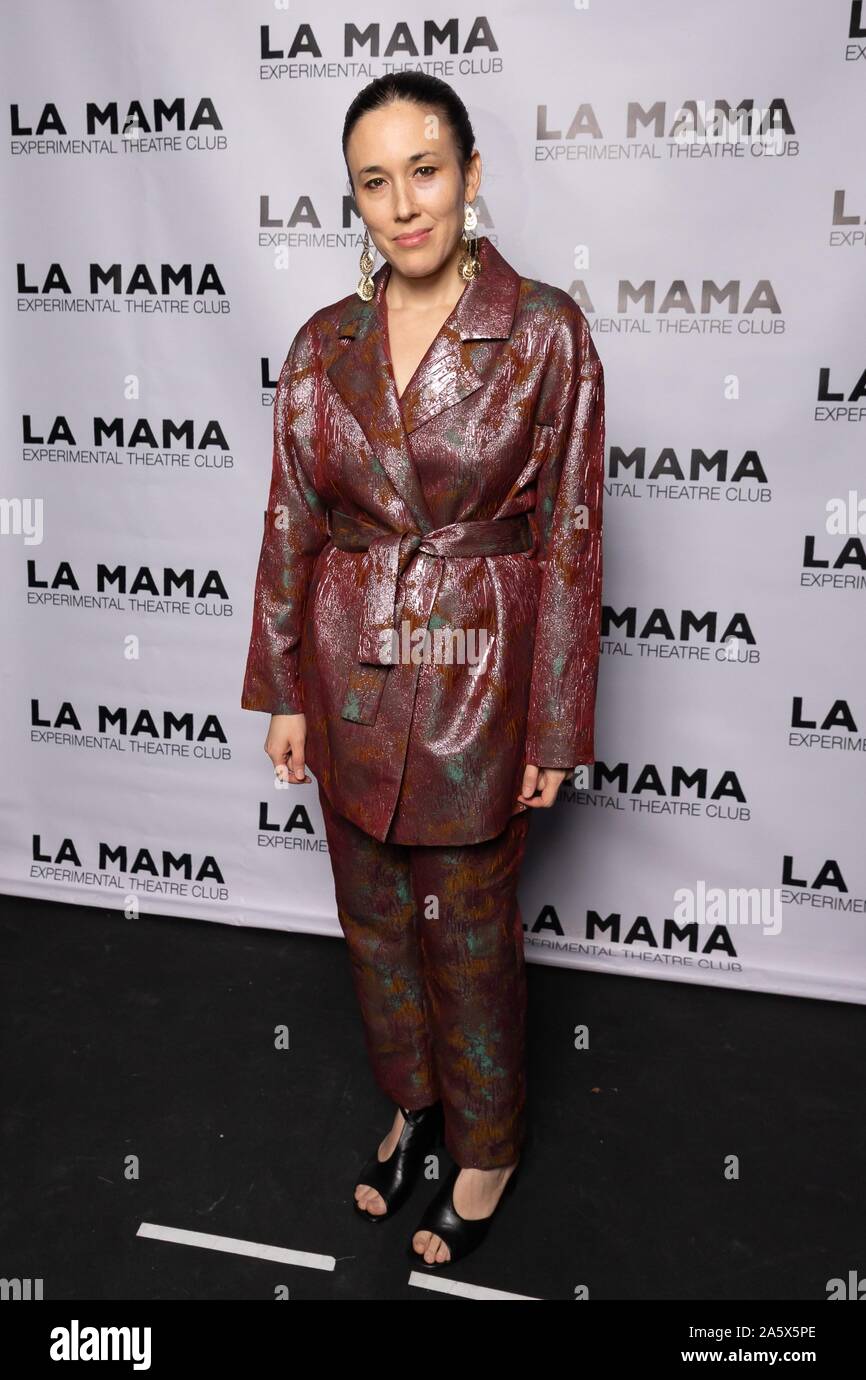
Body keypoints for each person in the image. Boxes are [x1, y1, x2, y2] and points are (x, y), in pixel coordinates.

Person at [241, 72, 605, 1268]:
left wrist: (554, 727)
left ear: (471, 175)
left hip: (475, 676)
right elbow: (291, 521)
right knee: (374, 920)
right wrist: (286, 689)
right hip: (350, 679)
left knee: (465, 926)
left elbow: (569, 536)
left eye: (426, 170)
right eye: (374, 181)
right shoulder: (319, 345)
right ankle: (413, 1105)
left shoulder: (544, 330)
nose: (404, 204)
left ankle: (487, 1141)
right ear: (352, 197)